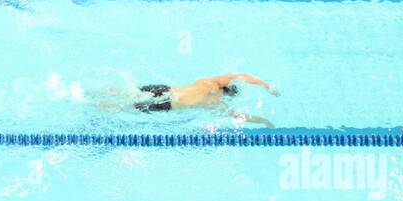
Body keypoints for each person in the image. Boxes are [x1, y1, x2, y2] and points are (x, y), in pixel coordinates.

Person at [99, 72, 278, 126]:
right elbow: (239, 116)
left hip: (165, 90)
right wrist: (263, 121)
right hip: (167, 105)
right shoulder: (214, 105)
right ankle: (96, 105)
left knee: (128, 91)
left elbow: (242, 75)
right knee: (128, 106)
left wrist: (265, 85)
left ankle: (92, 92)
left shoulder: (211, 82)